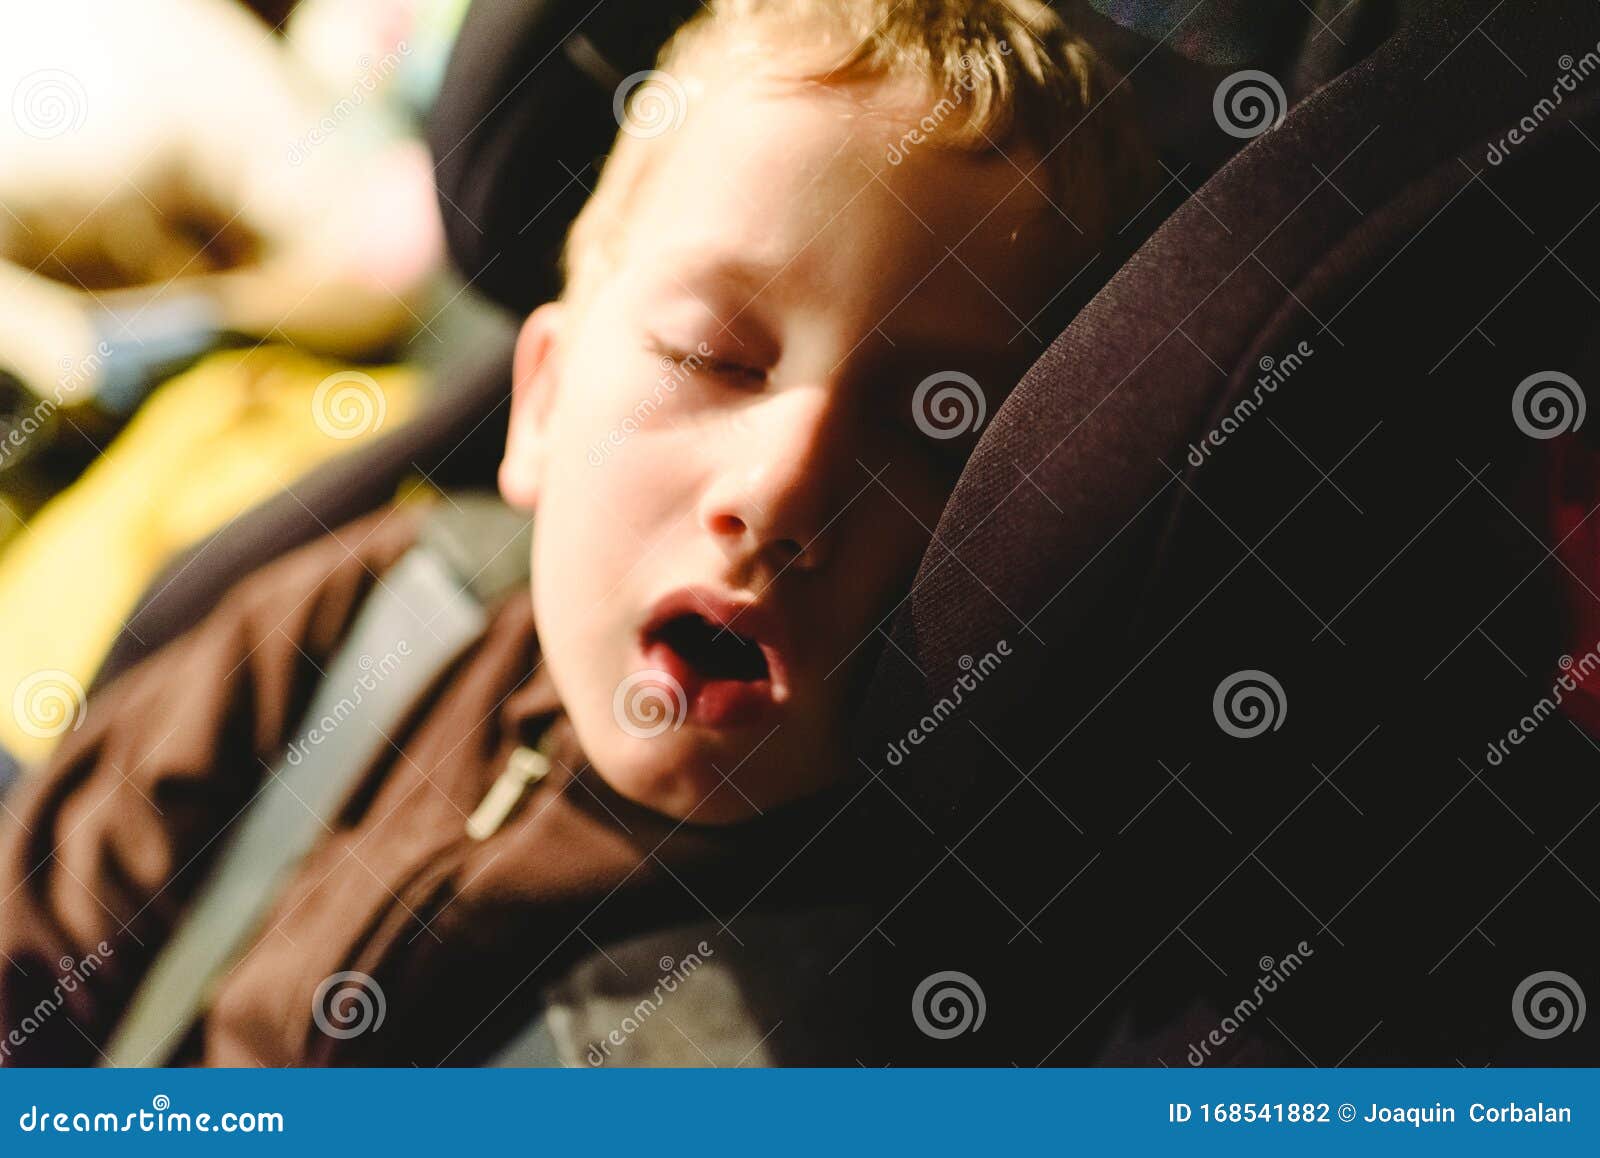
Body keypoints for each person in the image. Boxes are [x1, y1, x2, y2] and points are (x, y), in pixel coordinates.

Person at [0, 0, 1153, 1065]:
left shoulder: (863, 1016)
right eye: (713, 357)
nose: (784, 489)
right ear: (543, 403)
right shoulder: (366, 610)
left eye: (933, 428)